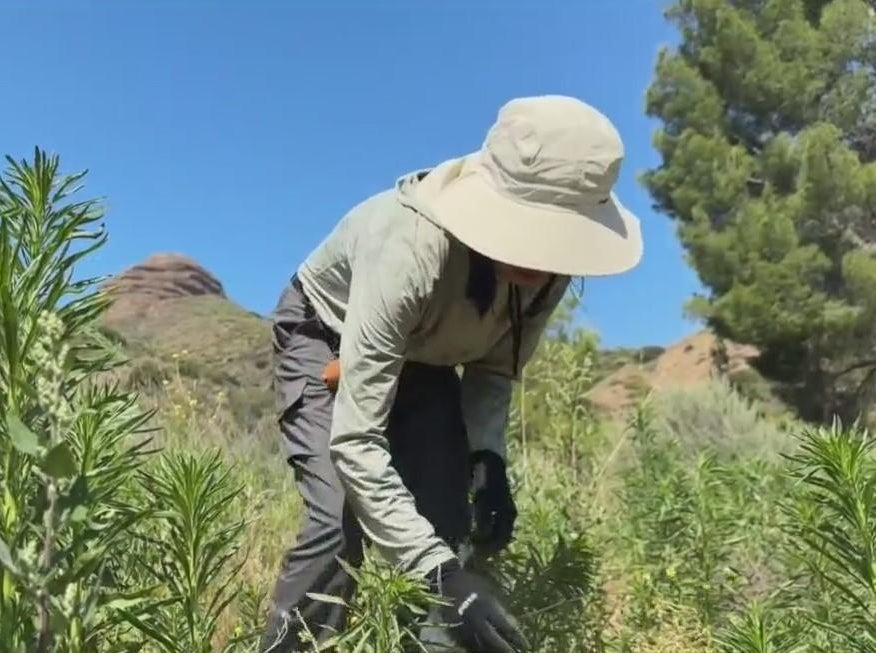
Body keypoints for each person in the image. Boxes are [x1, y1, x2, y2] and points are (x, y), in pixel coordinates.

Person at [259, 95, 643, 653]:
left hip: (426, 355)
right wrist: (442, 579)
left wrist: (488, 458)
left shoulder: (548, 275)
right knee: (337, 519)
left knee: (445, 522)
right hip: (328, 332)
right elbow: (356, 441)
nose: (541, 260)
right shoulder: (410, 245)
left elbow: (492, 366)